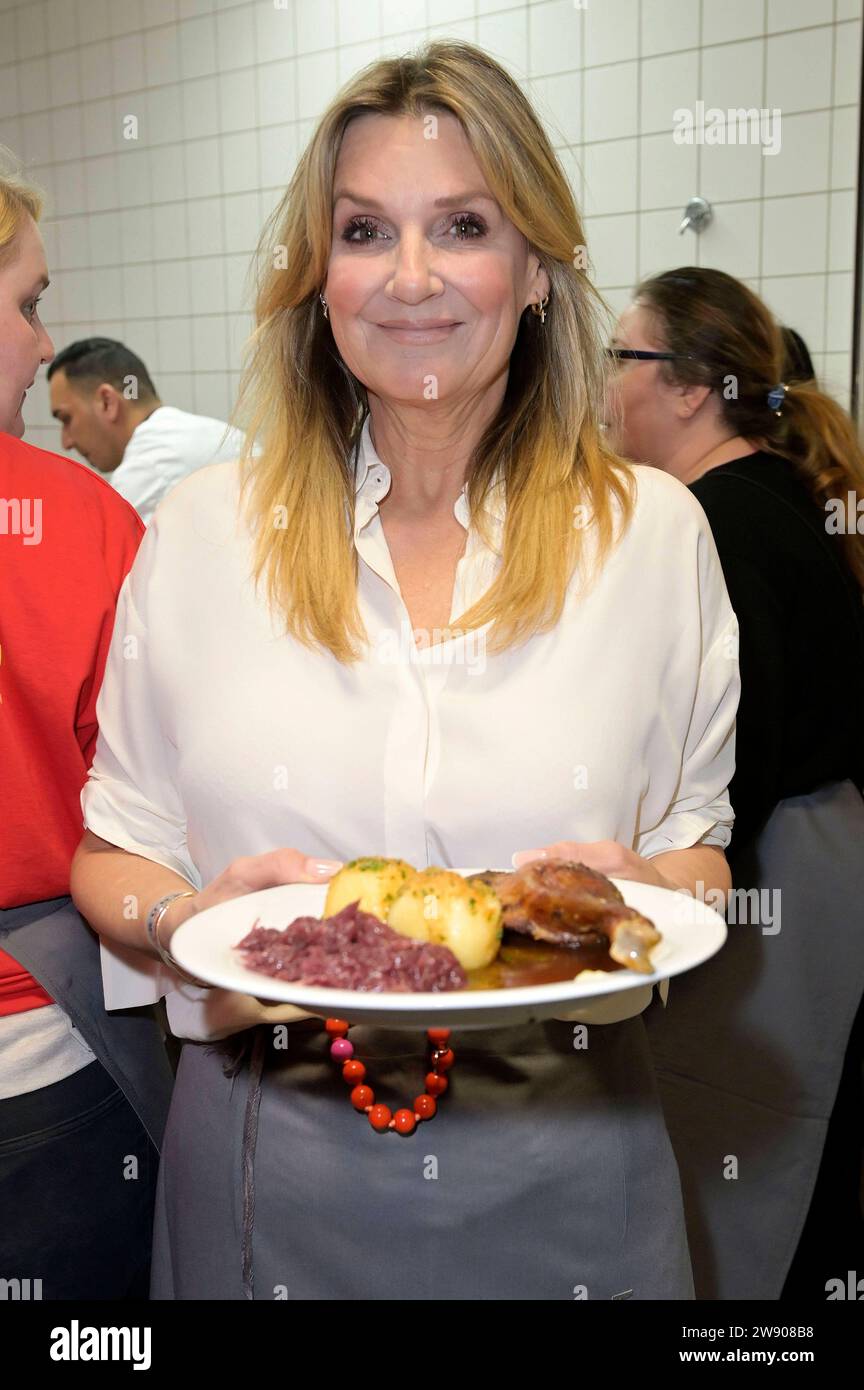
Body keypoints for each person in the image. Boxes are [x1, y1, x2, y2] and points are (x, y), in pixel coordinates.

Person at [70, 42, 739, 1301]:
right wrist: (191, 927)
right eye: (367, 229)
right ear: (320, 276)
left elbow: (702, 850)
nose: (413, 276)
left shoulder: (654, 537)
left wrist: (645, 885)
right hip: (268, 1164)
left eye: (465, 225)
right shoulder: (204, 536)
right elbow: (112, 854)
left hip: (572, 1164)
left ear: (536, 268)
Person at [607, 265, 864, 1299]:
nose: (603, 383)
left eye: (622, 357)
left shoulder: (717, 519)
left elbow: (735, 757)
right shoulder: (770, 491)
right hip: (821, 850)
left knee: (745, 1146)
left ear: (687, 387)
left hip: (778, 868)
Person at [0, 150, 173, 1297]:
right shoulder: (73, 517)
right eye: (27, 302)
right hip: (37, 1055)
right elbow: (169, 783)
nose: (39, 342)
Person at [47, 337, 247, 523]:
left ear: (107, 402)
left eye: (66, 419)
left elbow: (110, 556)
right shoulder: (216, 433)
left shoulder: (148, 467)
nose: (66, 442)